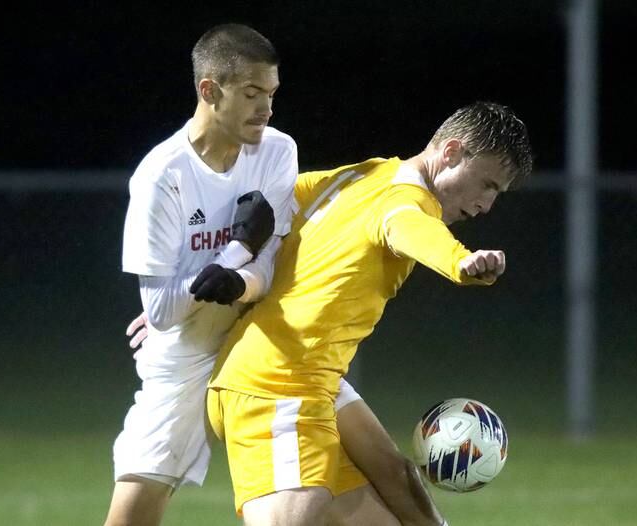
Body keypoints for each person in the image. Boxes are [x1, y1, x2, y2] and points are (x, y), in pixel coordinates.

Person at [105, 23, 444, 526]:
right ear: (209, 91)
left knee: (391, 470)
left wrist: (238, 276)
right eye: (251, 93)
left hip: (265, 346)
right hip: (186, 357)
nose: (266, 107)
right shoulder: (162, 176)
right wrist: (234, 253)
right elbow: (161, 310)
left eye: (271, 93)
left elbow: (268, 259)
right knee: (137, 506)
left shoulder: (276, 150)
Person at [207, 101, 534, 525]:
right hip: (276, 389)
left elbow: (274, 197)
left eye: (497, 193)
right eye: (487, 184)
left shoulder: (362, 176)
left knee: (398, 480)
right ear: (451, 153)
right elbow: (409, 227)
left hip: (309, 379)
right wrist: (459, 262)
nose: (487, 204)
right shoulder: (405, 203)